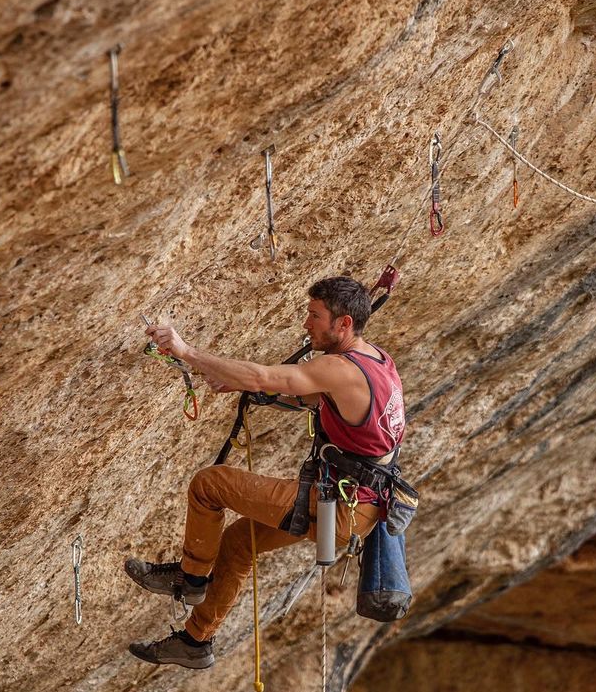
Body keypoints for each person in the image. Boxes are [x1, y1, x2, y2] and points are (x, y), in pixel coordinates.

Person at [128, 276, 405, 669]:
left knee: (210, 485)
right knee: (239, 543)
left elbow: (265, 377)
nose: (306, 323)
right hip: (360, 508)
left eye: (315, 316)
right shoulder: (377, 361)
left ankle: (189, 579)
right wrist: (244, 387)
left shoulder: (341, 369)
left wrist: (185, 350)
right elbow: (313, 397)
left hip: (341, 506)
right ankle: (195, 642)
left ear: (343, 324)